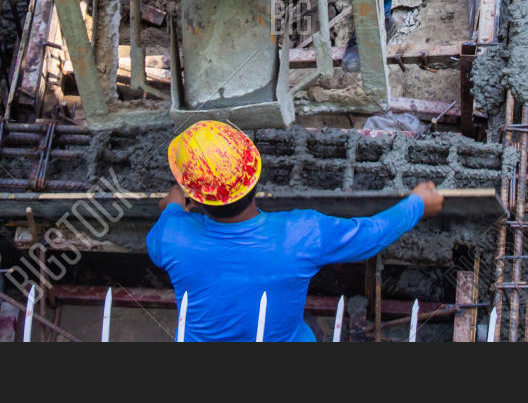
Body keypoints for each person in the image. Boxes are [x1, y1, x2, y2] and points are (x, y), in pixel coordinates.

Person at [147, 120, 442, 341]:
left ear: (195, 197)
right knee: (305, 329)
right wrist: (417, 204)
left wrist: (171, 208)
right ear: (255, 175)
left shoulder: (172, 234)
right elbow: (370, 234)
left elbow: (162, 237)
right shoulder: (302, 233)